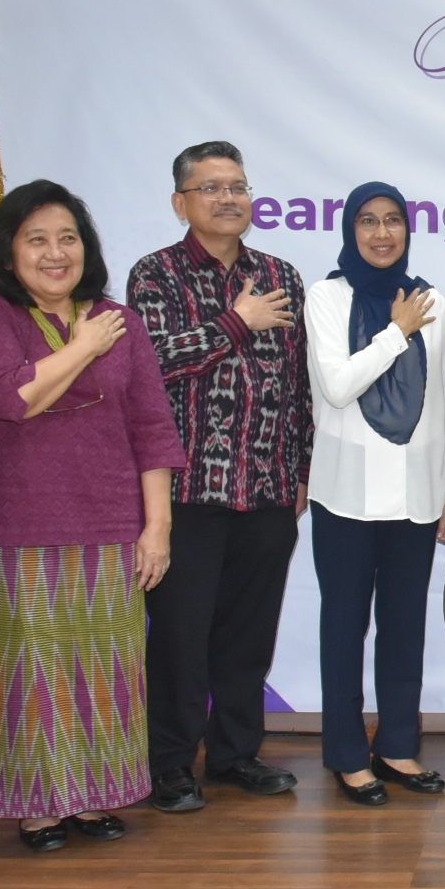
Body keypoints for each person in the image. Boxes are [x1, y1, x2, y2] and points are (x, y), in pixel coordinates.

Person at [0, 181, 186, 850]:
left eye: (68, 239)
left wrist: (158, 526)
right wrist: (84, 347)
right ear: (9, 253)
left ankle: (94, 799)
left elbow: (151, 428)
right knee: (32, 674)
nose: (56, 253)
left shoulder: (117, 317)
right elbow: (12, 399)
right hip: (21, 525)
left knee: (105, 668)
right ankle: (38, 807)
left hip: (112, 524)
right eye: (37, 240)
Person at [127, 140, 314, 812]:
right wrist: (237, 322)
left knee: (246, 634)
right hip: (186, 494)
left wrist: (301, 467)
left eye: (237, 186)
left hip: (266, 488)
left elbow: (295, 382)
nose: (229, 198)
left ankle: (236, 754)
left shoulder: (280, 274)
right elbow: (148, 365)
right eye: (211, 188)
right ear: (182, 202)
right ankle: (171, 765)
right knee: (180, 636)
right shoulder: (156, 275)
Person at [306, 182, 445, 806]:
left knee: (404, 627)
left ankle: (397, 744)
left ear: (407, 229)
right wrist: (397, 331)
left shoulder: (432, 300)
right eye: (368, 222)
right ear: (350, 230)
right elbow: (338, 385)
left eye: (393, 221)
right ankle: (347, 754)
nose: (380, 234)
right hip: (345, 494)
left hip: (417, 494)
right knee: (344, 627)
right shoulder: (326, 295)